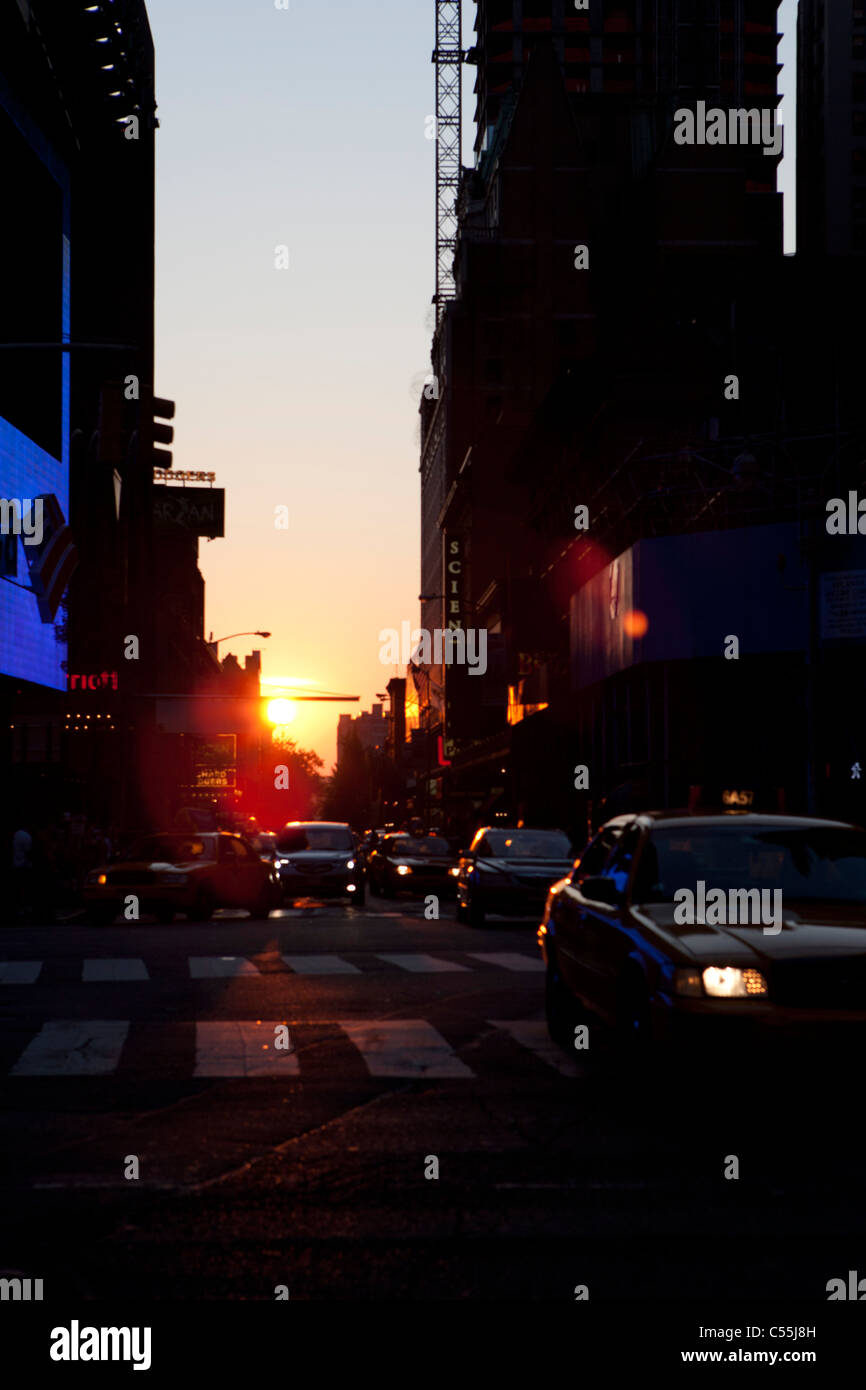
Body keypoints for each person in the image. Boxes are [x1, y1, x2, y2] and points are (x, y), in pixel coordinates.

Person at [12, 822, 34, 923]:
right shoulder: (26, 836)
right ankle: (25, 910)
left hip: (16, 864)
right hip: (24, 865)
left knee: (19, 888)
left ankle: (19, 910)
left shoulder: (16, 834)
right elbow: (29, 851)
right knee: (25, 889)